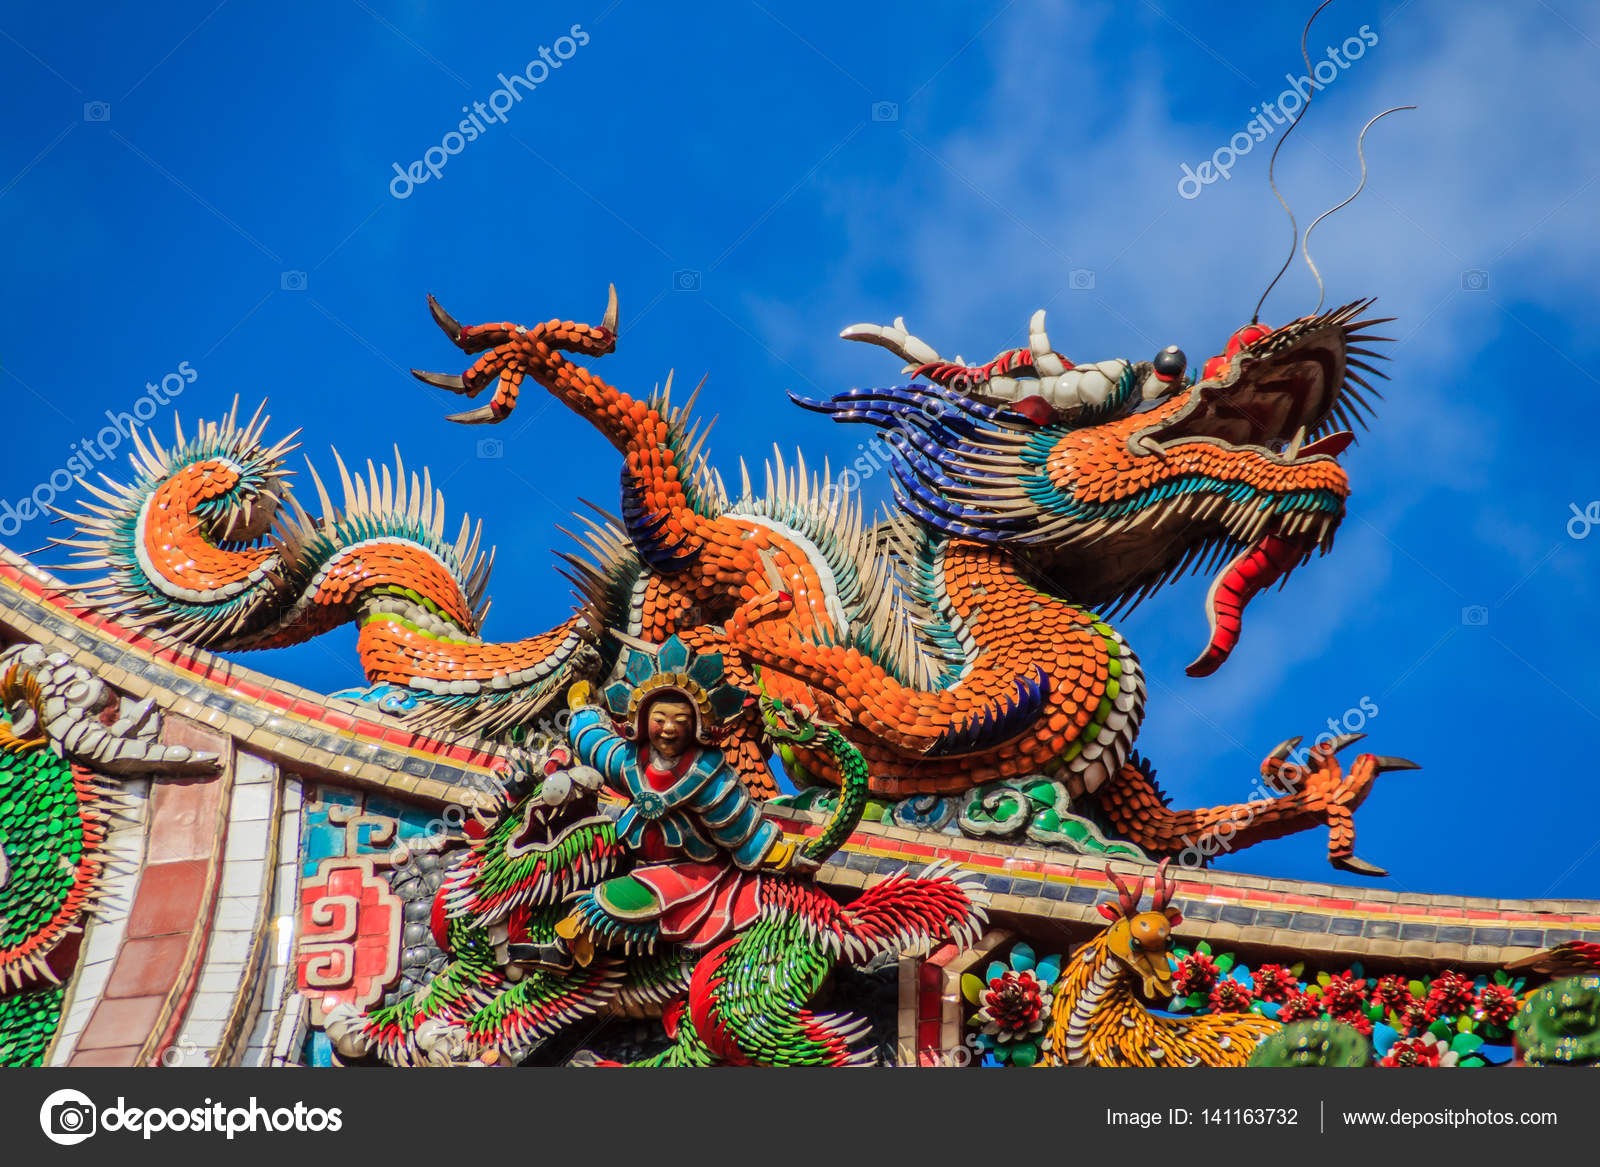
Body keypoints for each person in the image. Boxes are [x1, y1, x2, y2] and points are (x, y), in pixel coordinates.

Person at [553, 642, 812, 965]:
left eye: (680, 720)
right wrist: (581, 707)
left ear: (697, 728)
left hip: (690, 872)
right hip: (630, 854)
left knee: (605, 904)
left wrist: (783, 854)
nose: (669, 728)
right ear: (643, 722)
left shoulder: (707, 775)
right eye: (659, 719)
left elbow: (740, 827)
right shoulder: (629, 760)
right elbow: (594, 742)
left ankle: (577, 945)